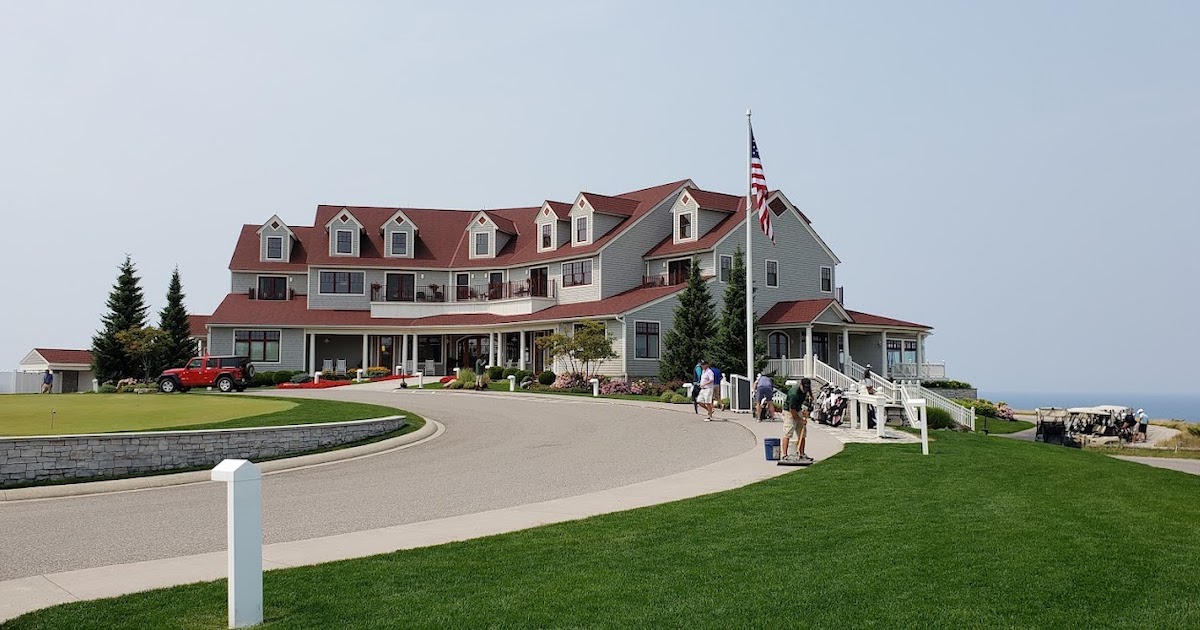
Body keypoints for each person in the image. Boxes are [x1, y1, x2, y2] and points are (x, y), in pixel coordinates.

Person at [780, 378, 814, 463]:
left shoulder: (806, 388)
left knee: (802, 434)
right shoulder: (793, 394)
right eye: (805, 388)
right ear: (801, 385)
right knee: (788, 433)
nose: (806, 390)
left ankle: (801, 454)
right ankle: (784, 455)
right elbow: (792, 411)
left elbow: (809, 390)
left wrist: (811, 395)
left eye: (807, 388)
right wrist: (800, 420)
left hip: (798, 409)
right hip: (789, 411)